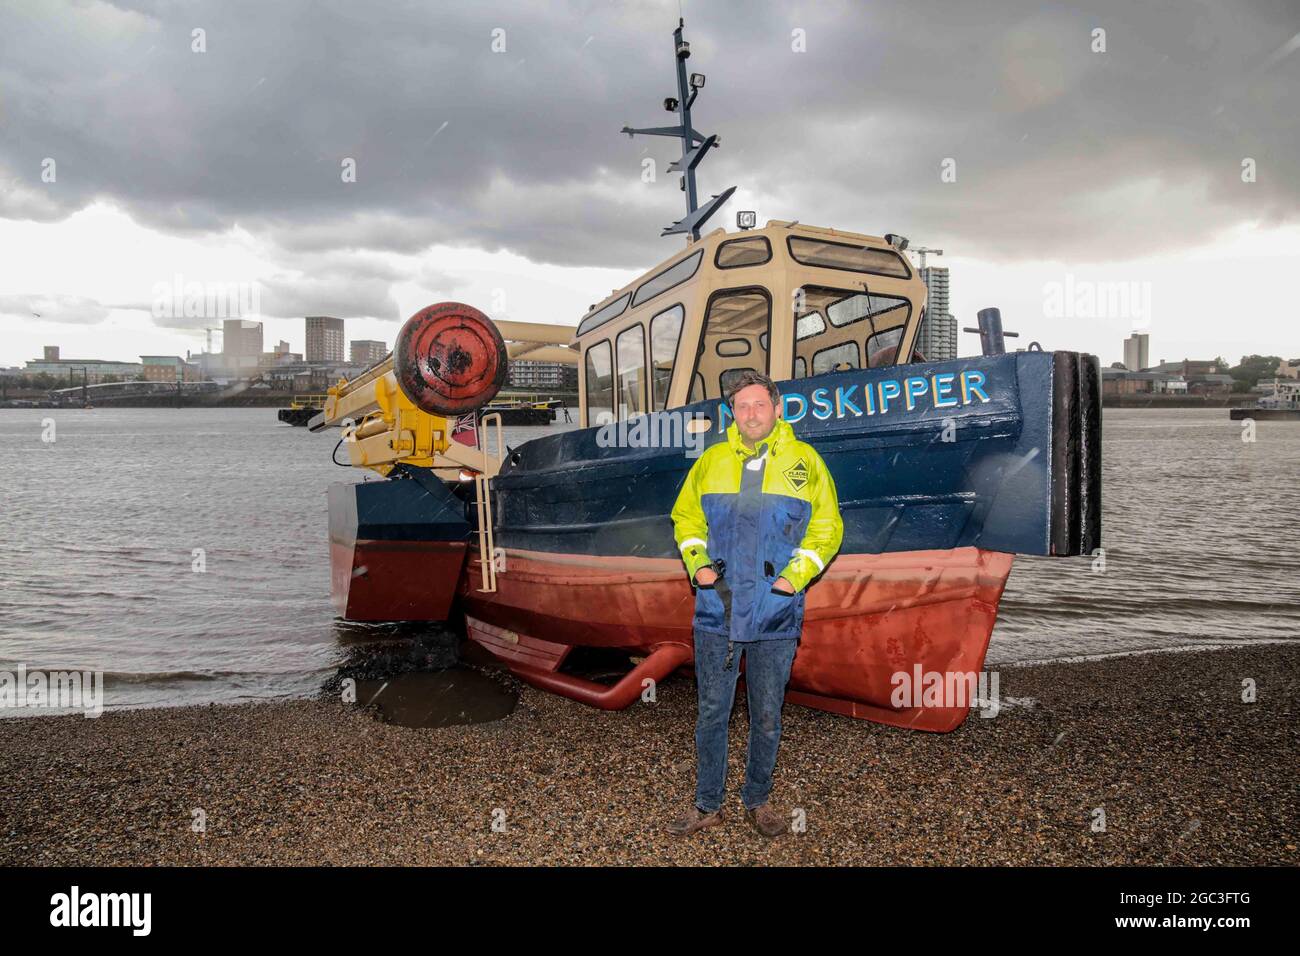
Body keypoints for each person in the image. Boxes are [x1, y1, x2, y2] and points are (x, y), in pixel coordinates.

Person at [667, 370, 843, 838]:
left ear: (778, 408)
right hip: (716, 613)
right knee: (711, 713)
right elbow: (685, 518)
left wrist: (791, 581)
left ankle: (758, 800)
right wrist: (698, 567)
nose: (750, 414)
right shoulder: (710, 462)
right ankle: (707, 804)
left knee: (766, 715)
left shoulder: (806, 462)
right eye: (741, 406)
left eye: (759, 404)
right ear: (732, 413)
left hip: (774, 615)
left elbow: (826, 529)